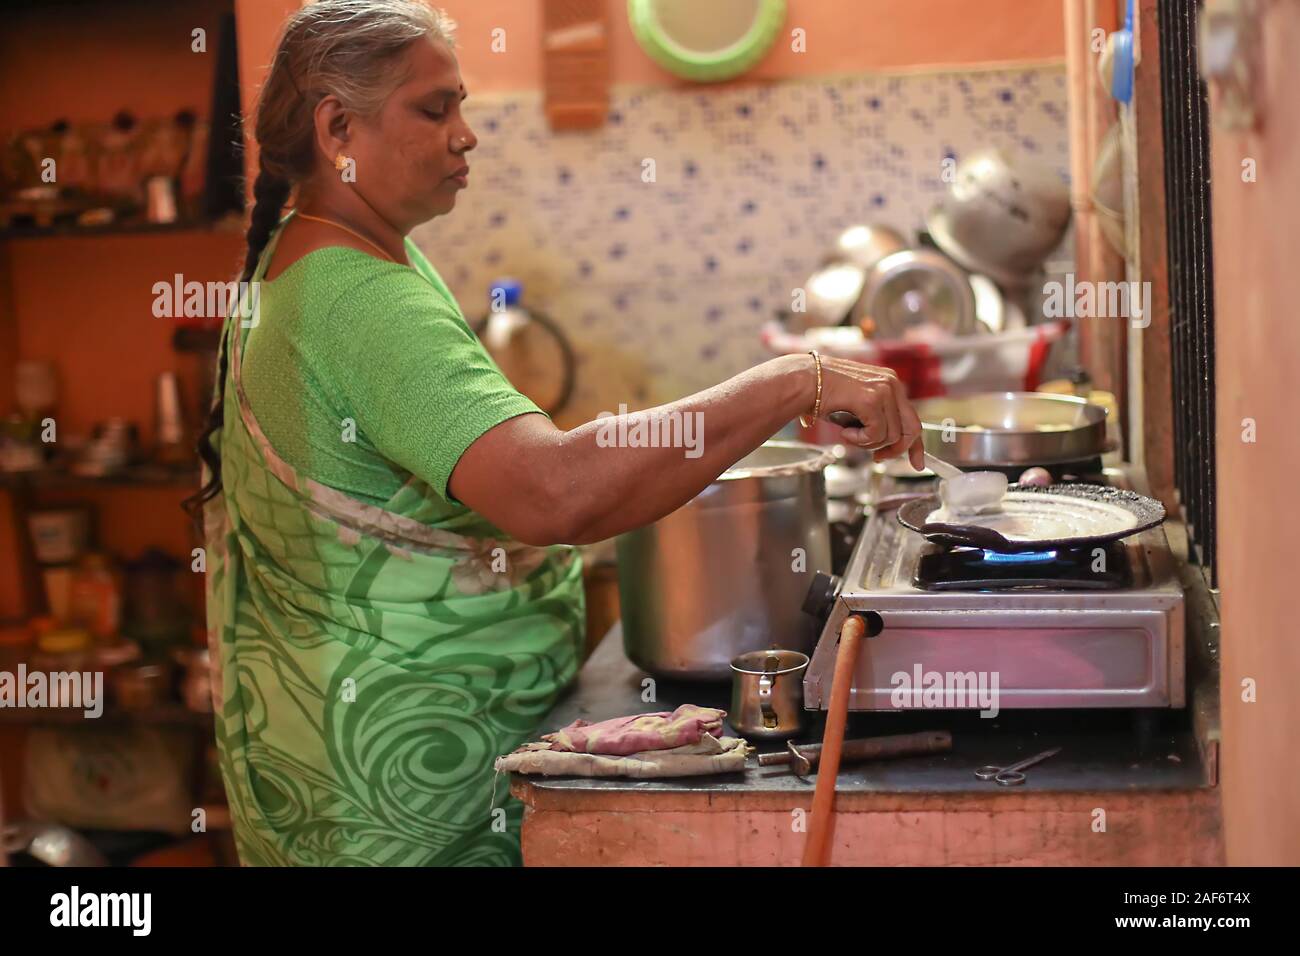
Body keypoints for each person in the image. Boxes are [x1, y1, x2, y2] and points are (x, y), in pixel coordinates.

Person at [184, 0, 923, 866]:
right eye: (435, 109)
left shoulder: (315, 258)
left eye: (461, 105)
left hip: (337, 764)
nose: (466, 136)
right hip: (405, 802)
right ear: (338, 126)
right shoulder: (353, 295)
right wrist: (793, 378)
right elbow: (555, 491)